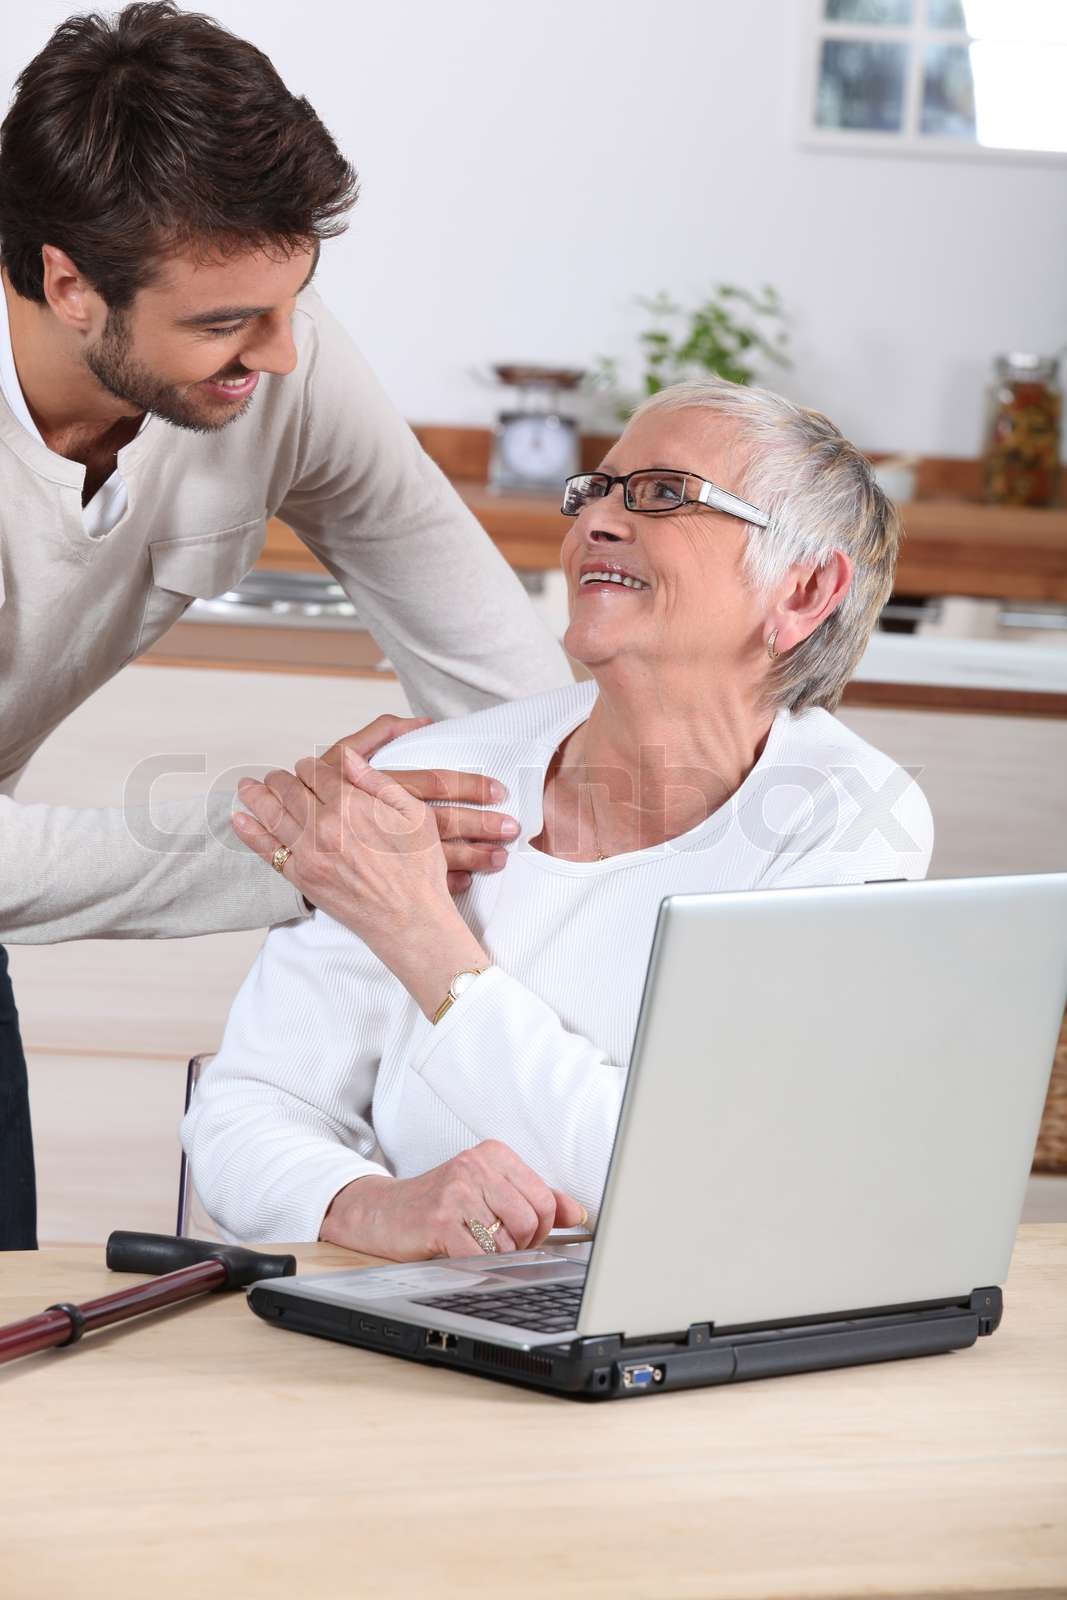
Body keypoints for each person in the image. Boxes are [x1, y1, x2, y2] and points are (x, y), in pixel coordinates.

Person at [0, 3, 571, 1249]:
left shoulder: (268, 361)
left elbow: (505, 678)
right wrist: (308, 845)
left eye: (294, 298)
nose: (285, 353)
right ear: (67, 283)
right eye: (225, 323)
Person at [183, 377, 934, 1257]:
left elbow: (691, 1183)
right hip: (414, 1328)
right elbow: (245, 1109)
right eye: (597, 490)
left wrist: (420, 933)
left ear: (803, 591)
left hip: (689, 1336)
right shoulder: (432, 778)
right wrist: (364, 1205)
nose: (597, 523)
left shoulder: (847, 818)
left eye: (663, 494)